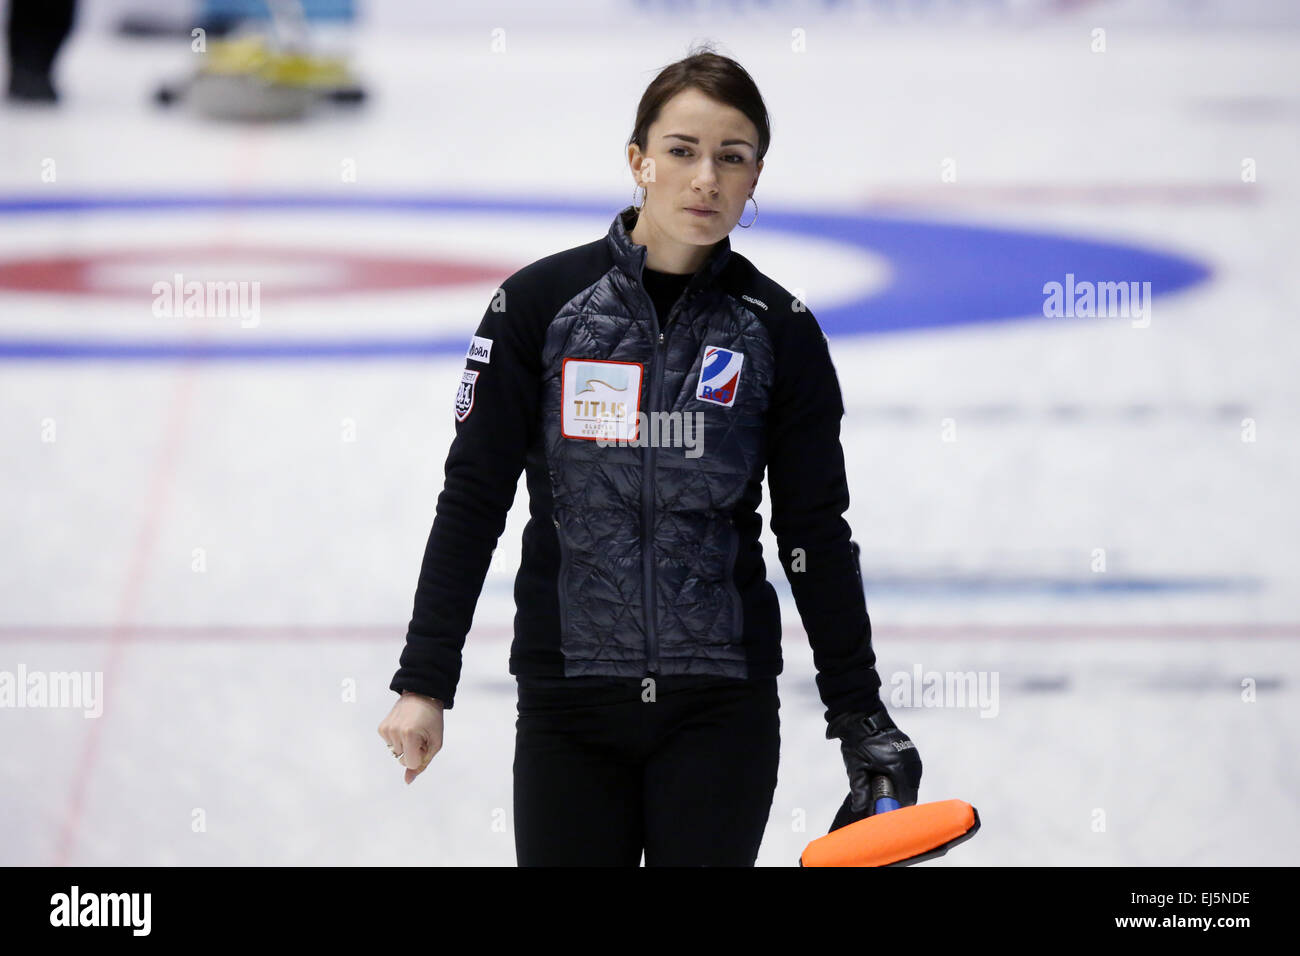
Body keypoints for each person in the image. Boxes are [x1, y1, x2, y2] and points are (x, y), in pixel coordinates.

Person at [378, 43, 922, 866]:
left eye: (731, 158)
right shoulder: (536, 306)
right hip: (570, 702)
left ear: (754, 179)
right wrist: (425, 681)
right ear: (639, 162)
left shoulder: (780, 330)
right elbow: (473, 497)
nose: (706, 178)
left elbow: (814, 533)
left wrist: (859, 713)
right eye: (682, 151)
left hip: (722, 710)